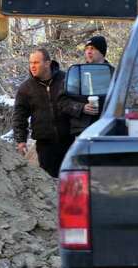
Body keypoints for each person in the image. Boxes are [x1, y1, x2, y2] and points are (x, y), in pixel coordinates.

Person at [12, 47, 73, 178]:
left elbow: (78, 103)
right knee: (50, 181)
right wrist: (21, 140)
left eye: (36, 62)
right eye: (30, 63)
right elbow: (19, 116)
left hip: (69, 140)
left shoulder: (66, 80)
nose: (32, 66)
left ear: (47, 63)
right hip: (45, 145)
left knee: (71, 179)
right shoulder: (26, 88)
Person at [60, 35, 115, 136]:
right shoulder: (76, 73)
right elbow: (62, 101)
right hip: (82, 131)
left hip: (108, 129)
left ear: (102, 52)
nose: (88, 52)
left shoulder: (114, 74)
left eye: (93, 48)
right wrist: (81, 108)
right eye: (87, 49)